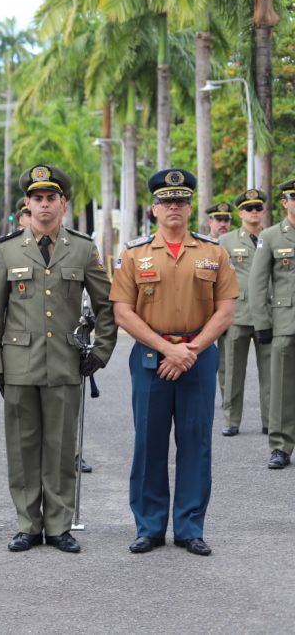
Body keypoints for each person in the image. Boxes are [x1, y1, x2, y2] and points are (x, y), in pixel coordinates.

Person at [0, 165, 116, 554]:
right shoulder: (8, 249)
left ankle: (58, 526)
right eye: (37, 198)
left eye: (51, 198)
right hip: (19, 363)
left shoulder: (83, 248)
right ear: (28, 204)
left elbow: (107, 305)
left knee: (60, 448)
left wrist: (101, 350)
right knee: (23, 449)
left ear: (63, 204)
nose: (44, 205)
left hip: (64, 362)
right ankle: (28, 524)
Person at [110, 168, 237, 556]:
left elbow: (226, 309)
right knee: (149, 443)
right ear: (154, 209)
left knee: (196, 444)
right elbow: (123, 312)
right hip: (151, 357)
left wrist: (191, 350)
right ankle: (149, 527)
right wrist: (168, 350)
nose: (174, 207)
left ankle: (189, 527)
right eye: (167, 201)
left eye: (180, 200)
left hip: (197, 357)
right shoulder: (134, 254)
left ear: (190, 205)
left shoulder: (213, 252)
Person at [250, 179, 295, 469]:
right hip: (284, 322)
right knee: (281, 388)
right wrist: (262, 322)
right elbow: (257, 283)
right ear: (285, 202)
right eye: (294, 197)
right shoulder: (271, 236)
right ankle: (280, 445)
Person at [218, 190, 270, 436]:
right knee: (231, 369)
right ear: (240, 213)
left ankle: (271, 420)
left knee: (271, 372)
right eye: (249, 209)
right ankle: (231, 419)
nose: (254, 213)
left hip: (268, 314)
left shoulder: (273, 237)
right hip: (236, 314)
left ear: (264, 212)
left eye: (258, 208)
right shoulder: (226, 241)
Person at [206, 202, 234, 402]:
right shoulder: (202, 245)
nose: (223, 223)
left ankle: (227, 400)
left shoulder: (233, 243)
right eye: (219, 219)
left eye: (226, 220)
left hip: (226, 312)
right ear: (210, 221)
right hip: (203, 312)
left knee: (227, 361)